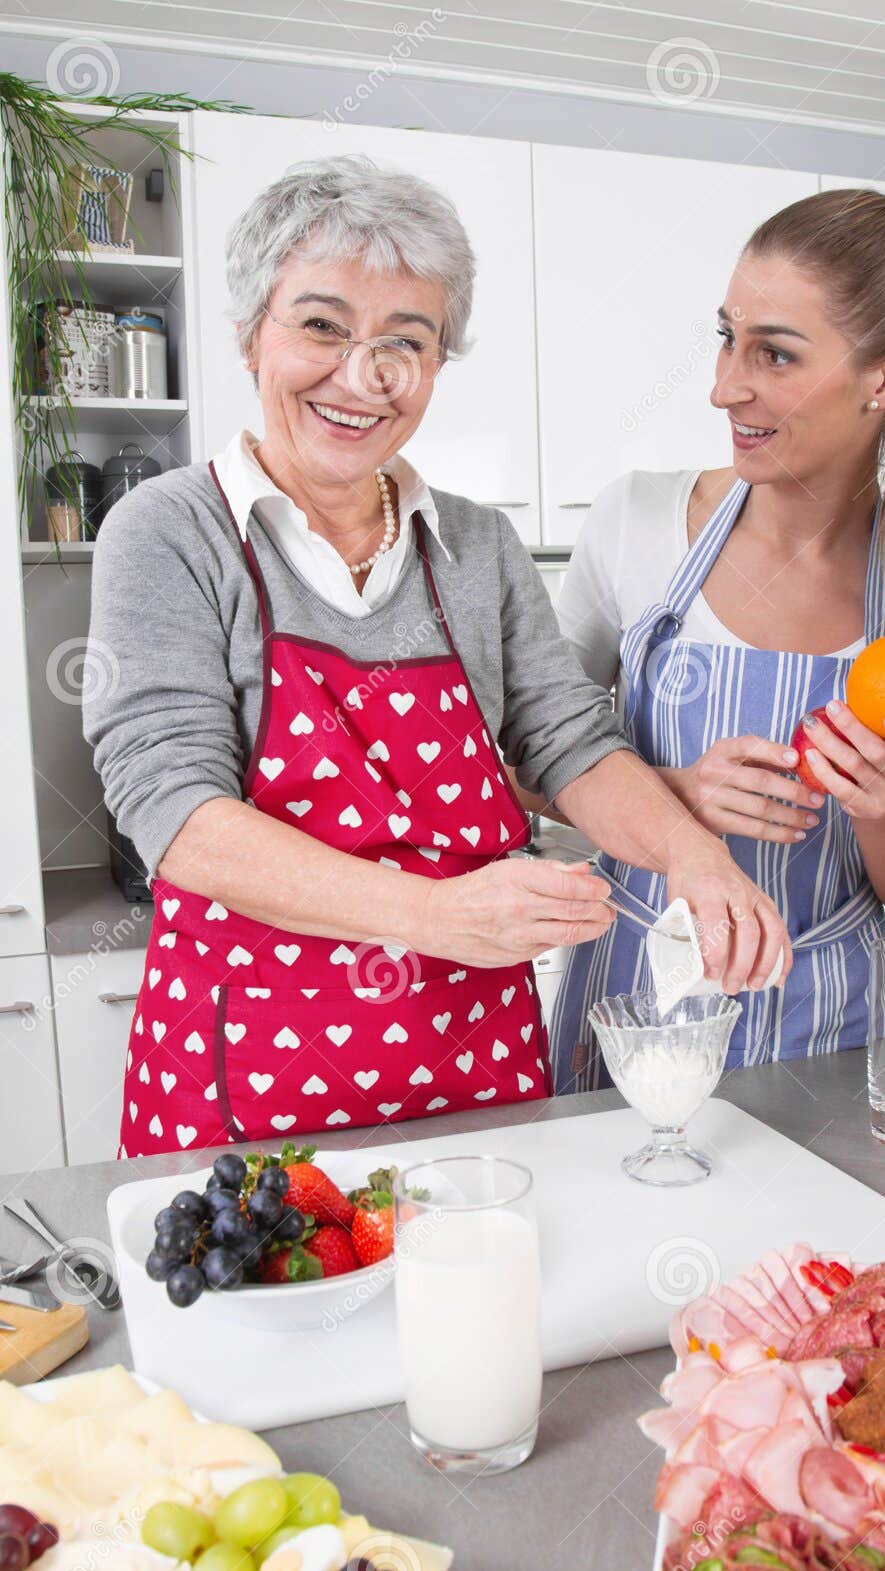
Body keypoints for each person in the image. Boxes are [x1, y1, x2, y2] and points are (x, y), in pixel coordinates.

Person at [85, 155, 790, 1157]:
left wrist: (695, 858)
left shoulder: (475, 543)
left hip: (479, 1082)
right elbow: (178, 816)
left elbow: (567, 739)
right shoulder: (170, 531)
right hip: (249, 1100)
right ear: (251, 335)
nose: (362, 376)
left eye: (404, 342)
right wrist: (431, 914)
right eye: (321, 326)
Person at [549, 188, 885, 1089]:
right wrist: (669, 793)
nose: (725, 385)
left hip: (834, 1031)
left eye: (773, 352)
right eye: (726, 336)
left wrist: (882, 808)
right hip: (641, 1008)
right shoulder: (636, 523)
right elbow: (518, 764)